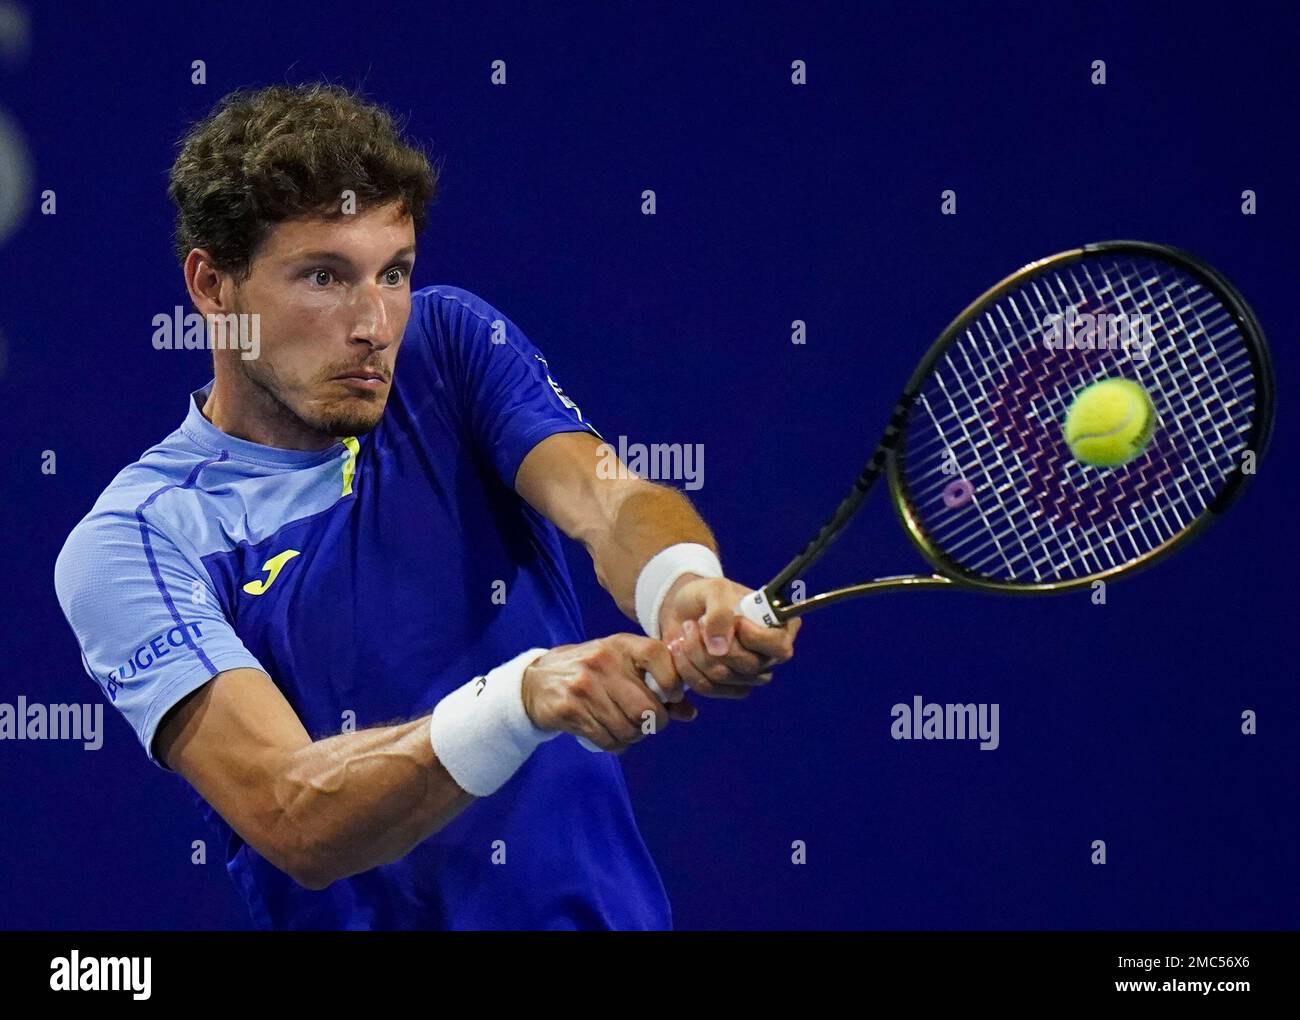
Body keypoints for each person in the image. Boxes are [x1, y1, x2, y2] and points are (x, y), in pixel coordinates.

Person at [54, 83, 800, 930]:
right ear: (213, 286)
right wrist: (520, 699)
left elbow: (607, 498)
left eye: (395, 272)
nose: (375, 322)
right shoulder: (138, 540)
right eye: (325, 276)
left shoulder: (447, 349)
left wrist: (684, 586)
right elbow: (293, 816)